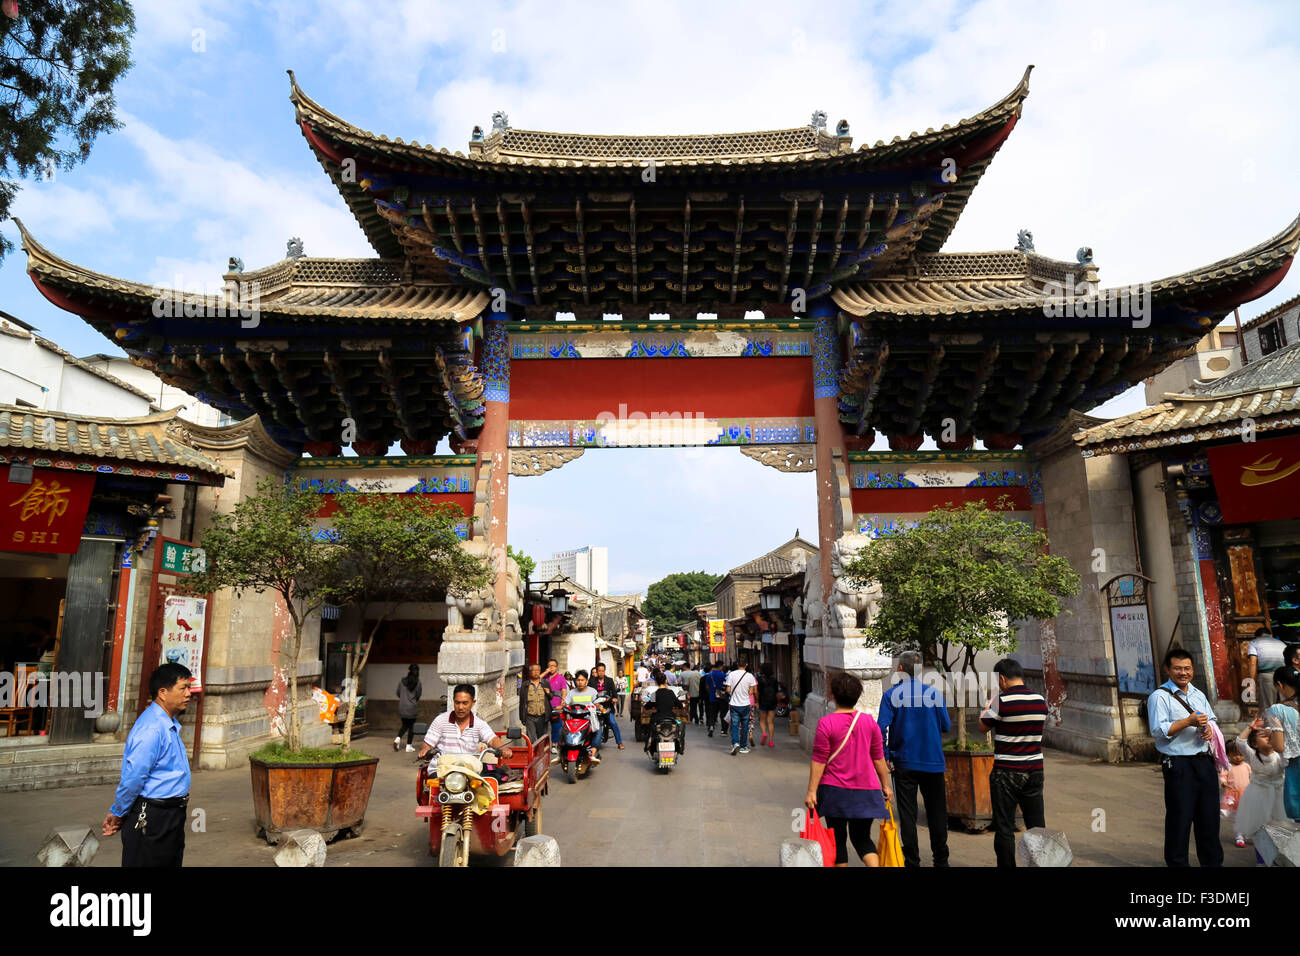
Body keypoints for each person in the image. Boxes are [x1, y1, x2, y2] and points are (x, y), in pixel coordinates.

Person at [102, 663, 194, 867]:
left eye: (189, 688)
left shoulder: (167, 724)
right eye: (183, 688)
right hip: (152, 814)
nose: (188, 693)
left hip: (172, 814)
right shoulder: (151, 728)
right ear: (163, 693)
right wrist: (118, 812)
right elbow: (134, 778)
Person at [805, 672, 892, 867]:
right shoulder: (869, 722)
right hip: (866, 791)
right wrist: (885, 785)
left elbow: (819, 760)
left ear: (833, 695)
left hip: (835, 791)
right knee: (862, 839)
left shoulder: (826, 723)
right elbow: (878, 758)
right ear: (857, 696)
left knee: (838, 841)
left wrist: (812, 791)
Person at [1146, 648, 1222, 867]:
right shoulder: (1159, 697)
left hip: (1204, 762)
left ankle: (1213, 863)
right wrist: (1187, 722)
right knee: (1180, 819)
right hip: (1179, 765)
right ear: (1168, 670)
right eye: (1177, 668)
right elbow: (1158, 730)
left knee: (1209, 819)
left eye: (1187, 668)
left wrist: (1209, 729)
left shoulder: (1198, 694)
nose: (1183, 673)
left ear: (1193, 670)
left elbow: (1212, 719)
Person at [878, 650, 951, 867]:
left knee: (907, 814)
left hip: (904, 762)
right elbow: (946, 725)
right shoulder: (934, 694)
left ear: (900, 668)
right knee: (937, 812)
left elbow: (880, 729)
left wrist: (886, 755)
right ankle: (941, 860)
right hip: (933, 761)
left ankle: (912, 861)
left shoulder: (891, 695)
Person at [979, 658, 1049, 868]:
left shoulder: (1001, 701)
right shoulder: (1040, 700)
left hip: (1006, 772)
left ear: (1002, 678)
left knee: (1004, 827)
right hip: (1034, 769)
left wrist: (988, 706)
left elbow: (982, 726)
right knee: (1037, 825)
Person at [418, 684, 513, 762]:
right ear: (453, 702)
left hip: (468, 770)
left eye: (465, 703)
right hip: (441, 769)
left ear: (473, 703)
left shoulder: (479, 724)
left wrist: (502, 749)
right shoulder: (440, 720)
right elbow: (428, 743)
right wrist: (425, 749)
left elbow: (492, 739)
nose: (460, 707)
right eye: (457, 703)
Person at [1256, 666, 1300, 821]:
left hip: (1296, 767)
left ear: (1280, 684)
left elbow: (1279, 746)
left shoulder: (1278, 709)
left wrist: (1271, 735)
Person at [1234, 726, 1286, 850]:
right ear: (1254, 744)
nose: (1268, 738)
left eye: (1270, 736)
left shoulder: (1280, 756)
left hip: (1278, 796)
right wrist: (1250, 727)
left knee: (1278, 827)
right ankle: (1261, 854)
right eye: (1264, 736)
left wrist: (1276, 735)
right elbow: (1240, 742)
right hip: (1257, 797)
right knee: (1259, 828)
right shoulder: (1252, 755)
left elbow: (1286, 751)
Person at [564, 670, 602, 763]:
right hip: (574, 720)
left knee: (598, 730)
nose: (580, 682)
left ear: (586, 681)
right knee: (562, 729)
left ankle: (593, 753)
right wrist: (560, 706)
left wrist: (599, 707)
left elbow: (596, 703)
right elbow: (565, 703)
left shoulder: (592, 691)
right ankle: (560, 752)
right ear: (575, 681)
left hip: (589, 719)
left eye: (582, 680)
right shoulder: (571, 693)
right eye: (578, 680)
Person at [644, 669, 684, 754]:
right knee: (681, 725)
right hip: (671, 718)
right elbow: (679, 705)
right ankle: (681, 747)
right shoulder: (671, 692)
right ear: (666, 681)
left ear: (656, 682)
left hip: (657, 718)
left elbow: (647, 706)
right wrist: (679, 705)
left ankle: (647, 745)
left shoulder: (654, 694)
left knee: (650, 730)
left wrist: (649, 706)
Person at [1247, 627, 1288, 711]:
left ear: (1257, 637)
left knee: (1268, 707)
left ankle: (1270, 719)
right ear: (1271, 635)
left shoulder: (1254, 642)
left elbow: (1252, 663)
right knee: (1285, 705)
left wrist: (1251, 683)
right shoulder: (1282, 643)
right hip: (1284, 676)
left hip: (1267, 676)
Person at [1219, 740, 1251, 847]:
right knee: (1235, 817)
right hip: (1232, 795)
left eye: (1241, 754)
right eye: (1234, 755)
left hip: (1246, 795)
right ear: (1228, 755)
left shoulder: (1246, 766)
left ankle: (1248, 833)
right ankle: (1239, 838)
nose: (1238, 757)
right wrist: (1223, 782)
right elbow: (1223, 776)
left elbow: (1252, 777)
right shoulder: (1227, 766)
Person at [590, 662, 625, 751]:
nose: (601, 672)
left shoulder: (609, 680)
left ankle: (619, 742)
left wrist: (614, 698)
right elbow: (589, 693)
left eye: (602, 671)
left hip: (607, 707)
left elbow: (614, 692)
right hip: (595, 706)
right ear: (597, 671)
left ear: (605, 671)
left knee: (613, 722)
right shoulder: (592, 681)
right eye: (599, 671)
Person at [726, 659, 757, 755]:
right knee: (745, 726)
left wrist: (733, 692)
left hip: (734, 704)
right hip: (746, 704)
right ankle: (743, 746)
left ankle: (735, 743)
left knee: (734, 725)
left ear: (737, 664)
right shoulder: (750, 676)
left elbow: (728, 689)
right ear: (746, 665)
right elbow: (751, 692)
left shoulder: (731, 674)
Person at [519, 663, 553, 748]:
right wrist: (522, 717)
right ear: (530, 672)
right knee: (532, 739)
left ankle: (541, 754)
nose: (535, 672)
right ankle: (533, 754)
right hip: (530, 716)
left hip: (542, 716)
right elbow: (522, 702)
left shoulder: (545, 683)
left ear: (540, 671)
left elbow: (551, 697)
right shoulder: (525, 685)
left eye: (537, 670)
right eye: (533, 670)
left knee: (541, 738)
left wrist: (548, 693)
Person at [394, 664, 422, 752]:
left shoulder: (401, 681)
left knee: (405, 725)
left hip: (402, 706)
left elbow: (398, 693)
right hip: (412, 707)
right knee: (411, 727)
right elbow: (418, 695)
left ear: (409, 671)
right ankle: (408, 746)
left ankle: (398, 738)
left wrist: (403, 699)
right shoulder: (418, 682)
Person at [545, 659, 567, 754]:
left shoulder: (561, 678)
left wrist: (563, 701)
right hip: (545, 706)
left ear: (556, 667)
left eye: (553, 666)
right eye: (549, 665)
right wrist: (545, 672)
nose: (551, 667)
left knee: (556, 727)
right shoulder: (545, 677)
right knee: (543, 728)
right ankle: (544, 746)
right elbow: (536, 679)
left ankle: (554, 744)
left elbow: (564, 691)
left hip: (556, 706)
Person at [755, 663, 779, 749]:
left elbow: (758, 692)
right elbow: (776, 692)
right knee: (770, 722)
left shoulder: (759, 679)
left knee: (762, 720)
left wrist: (757, 701)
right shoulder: (774, 680)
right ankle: (771, 741)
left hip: (763, 701)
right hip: (772, 701)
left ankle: (764, 733)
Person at [704, 662, 727, 737]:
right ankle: (723, 731)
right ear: (720, 666)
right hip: (722, 698)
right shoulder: (724, 675)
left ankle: (711, 726)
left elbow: (707, 687)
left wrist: (711, 693)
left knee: (712, 714)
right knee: (723, 714)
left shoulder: (709, 675)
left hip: (712, 698)